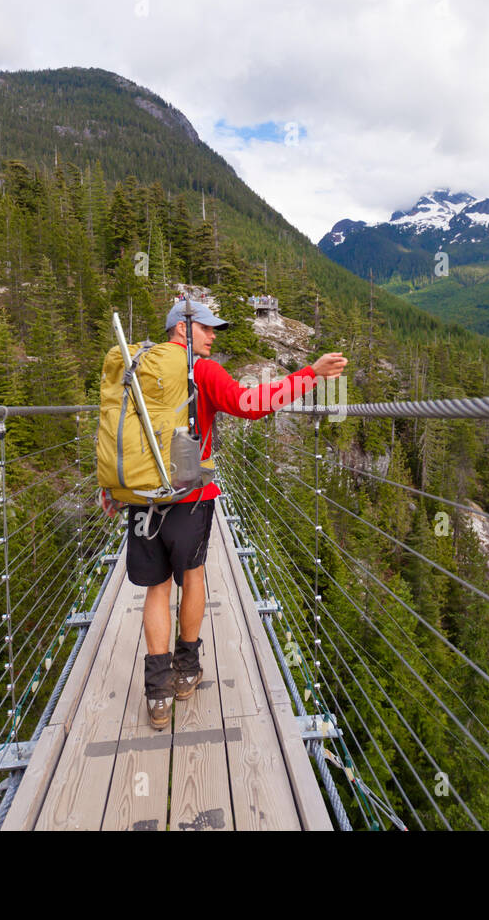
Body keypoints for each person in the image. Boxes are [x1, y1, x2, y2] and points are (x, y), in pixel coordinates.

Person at [120, 297, 347, 730]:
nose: (212, 337)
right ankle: (187, 671)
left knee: (156, 591)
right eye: (207, 329)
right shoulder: (200, 370)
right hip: (189, 496)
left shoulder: (138, 366)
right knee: (193, 578)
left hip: (141, 497)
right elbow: (250, 404)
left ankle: (157, 694)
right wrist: (310, 374)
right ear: (183, 330)